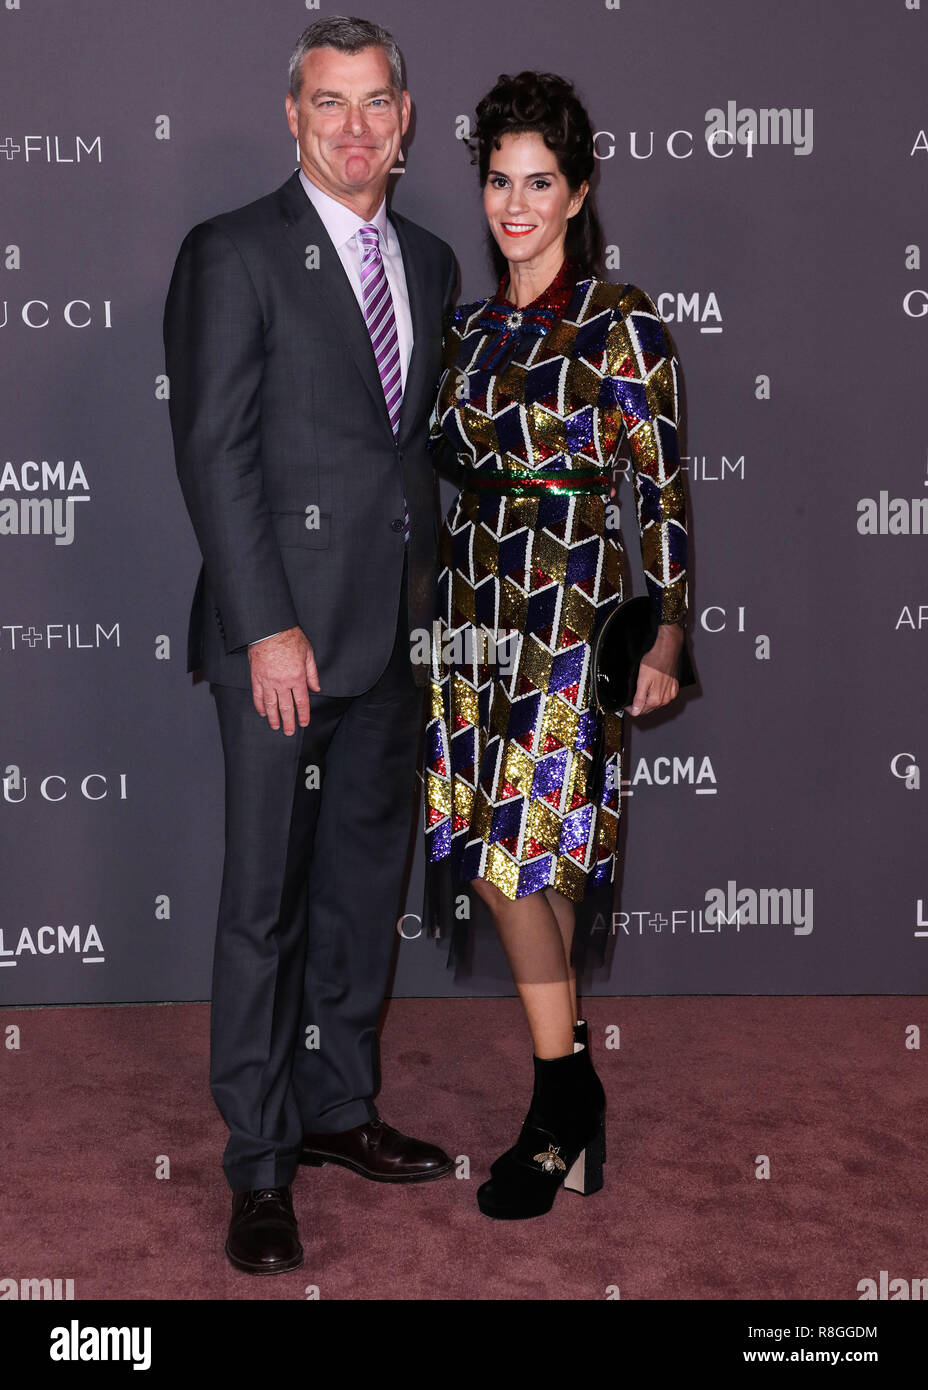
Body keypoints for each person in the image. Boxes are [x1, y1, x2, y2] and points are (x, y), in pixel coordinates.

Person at [163, 17, 458, 1274]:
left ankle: (338, 1111)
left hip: (394, 632)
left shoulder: (436, 261)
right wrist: (267, 624)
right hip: (279, 638)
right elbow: (215, 455)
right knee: (262, 905)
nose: (353, 126)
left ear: (405, 115)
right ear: (292, 117)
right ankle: (260, 1161)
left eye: (374, 101)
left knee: (356, 897)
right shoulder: (232, 253)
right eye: (327, 103)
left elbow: (417, 453)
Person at [424, 71, 690, 1219]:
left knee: (519, 854)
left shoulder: (623, 321)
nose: (514, 202)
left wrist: (668, 628)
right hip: (469, 610)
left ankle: (559, 1100)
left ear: (578, 193)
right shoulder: (468, 327)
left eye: (540, 181)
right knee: (528, 855)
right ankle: (572, 1096)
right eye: (498, 179)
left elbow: (665, 495)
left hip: (570, 612)